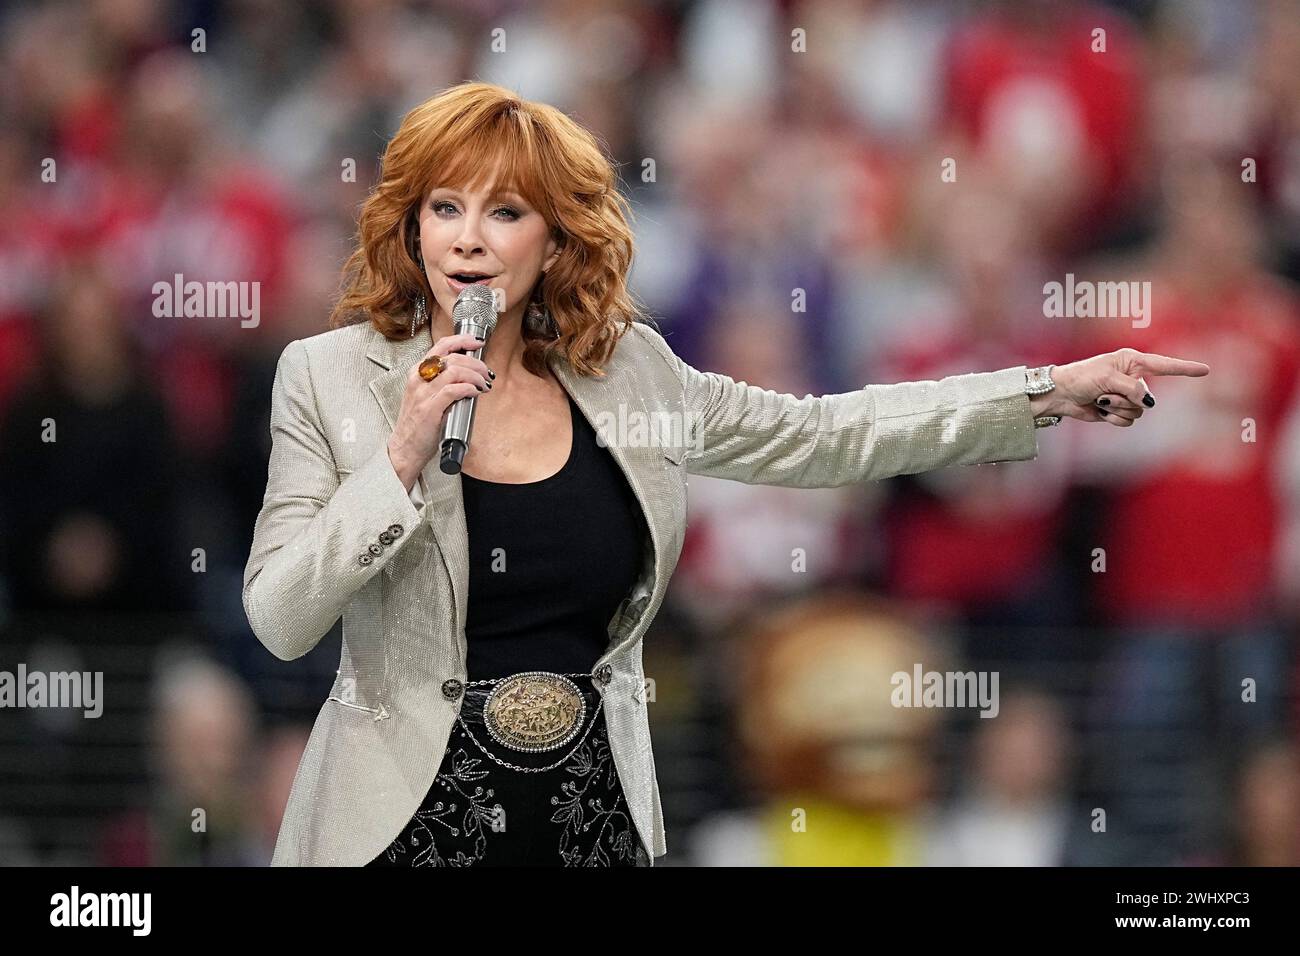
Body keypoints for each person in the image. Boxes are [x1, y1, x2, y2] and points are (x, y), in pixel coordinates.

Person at [241, 80, 1210, 867]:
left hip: (588, 821)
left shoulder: (627, 372)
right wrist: (399, 458)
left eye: (504, 210)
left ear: (554, 236)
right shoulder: (329, 377)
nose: (466, 237)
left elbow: (825, 433)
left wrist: (1045, 389)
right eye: (443, 206)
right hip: (396, 825)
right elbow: (282, 617)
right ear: (408, 225)